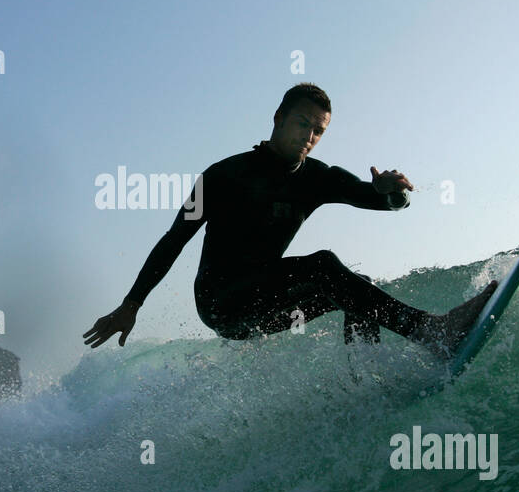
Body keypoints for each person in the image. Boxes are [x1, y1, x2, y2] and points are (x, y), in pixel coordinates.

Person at [82, 83, 496, 353]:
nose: (309, 136)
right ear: (278, 118)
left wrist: (394, 194)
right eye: (302, 123)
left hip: (268, 304)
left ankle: (370, 385)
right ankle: (433, 333)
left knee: (357, 291)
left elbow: (380, 203)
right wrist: (131, 304)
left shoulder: (319, 178)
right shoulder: (223, 175)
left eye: (318, 131)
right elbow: (174, 240)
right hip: (221, 302)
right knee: (324, 265)